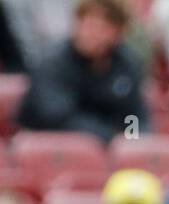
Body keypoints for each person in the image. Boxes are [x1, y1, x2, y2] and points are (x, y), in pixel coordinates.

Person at [17, 0, 149, 144]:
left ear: (118, 33)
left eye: (101, 27)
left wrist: (133, 139)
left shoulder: (127, 64)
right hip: (53, 146)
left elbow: (134, 115)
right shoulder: (53, 62)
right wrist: (111, 137)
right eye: (85, 24)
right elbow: (57, 116)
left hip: (109, 147)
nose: (89, 33)